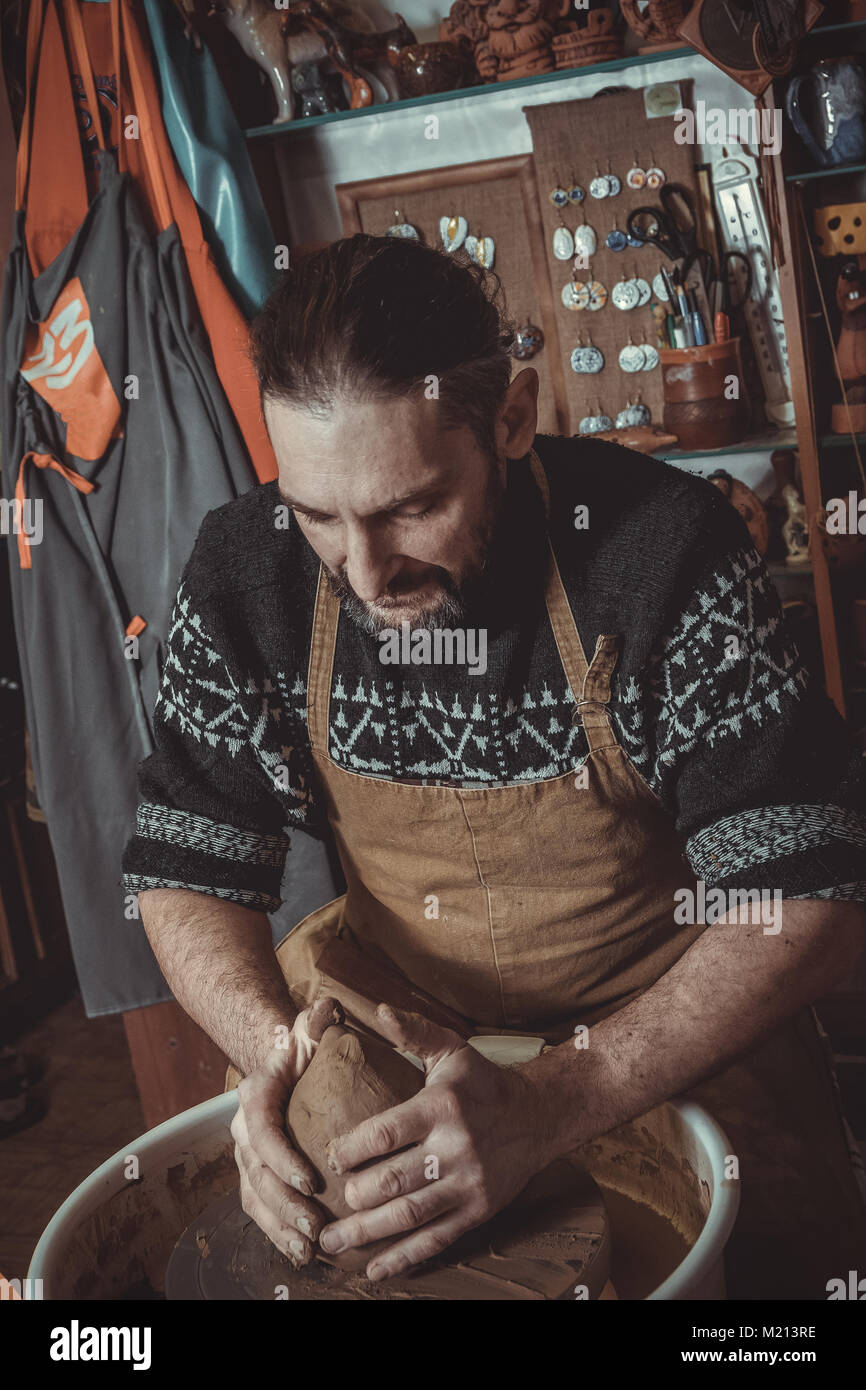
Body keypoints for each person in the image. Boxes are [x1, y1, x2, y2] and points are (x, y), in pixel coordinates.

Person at [123, 234, 866, 1299]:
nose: (365, 572)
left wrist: (564, 1095)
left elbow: (807, 899)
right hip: (396, 1030)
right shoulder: (249, 571)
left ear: (510, 418)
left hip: (664, 1031)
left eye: (408, 508)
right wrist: (272, 1054)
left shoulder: (660, 551)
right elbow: (187, 864)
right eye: (318, 515)